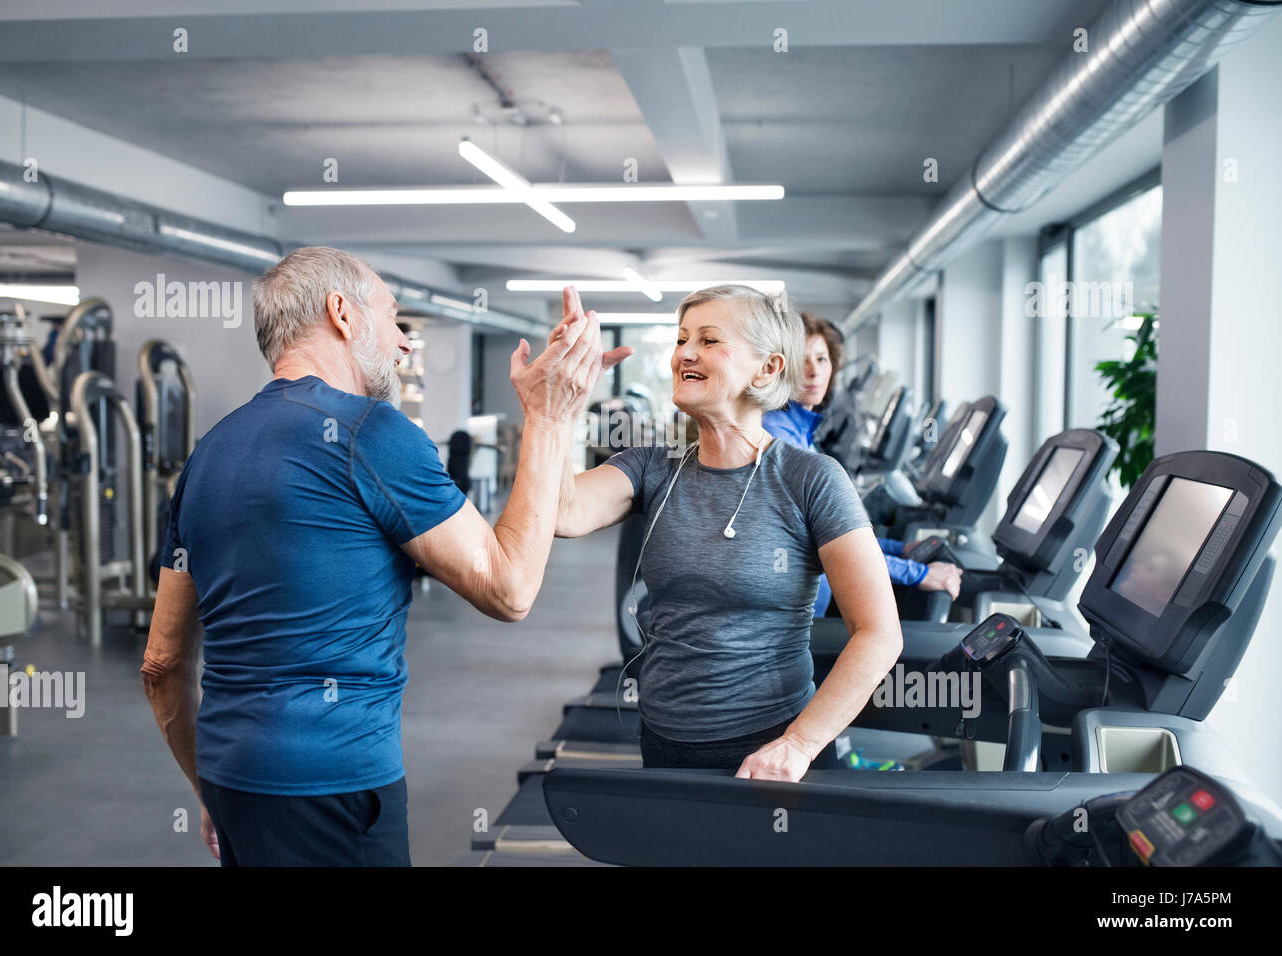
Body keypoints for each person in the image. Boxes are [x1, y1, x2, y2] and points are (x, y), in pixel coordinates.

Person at [141, 246, 628, 866]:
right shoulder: (371, 431)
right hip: (335, 783)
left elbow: (160, 664)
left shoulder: (205, 456)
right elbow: (509, 588)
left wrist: (207, 782)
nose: (403, 344)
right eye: (395, 318)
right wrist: (548, 417)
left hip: (233, 778)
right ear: (342, 314)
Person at [553, 284, 903, 782]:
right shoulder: (653, 466)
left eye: (710, 340)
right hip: (663, 741)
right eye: (680, 339)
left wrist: (799, 745)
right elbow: (559, 511)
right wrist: (552, 410)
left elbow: (879, 634)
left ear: (768, 368)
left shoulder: (811, 478)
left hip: (770, 750)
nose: (685, 353)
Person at [763, 312, 963, 614]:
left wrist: (901, 550)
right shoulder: (779, 438)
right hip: (797, 625)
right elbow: (828, 544)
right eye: (801, 360)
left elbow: (833, 532)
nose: (814, 372)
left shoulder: (799, 432)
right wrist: (918, 574)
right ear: (779, 368)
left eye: (822, 359)